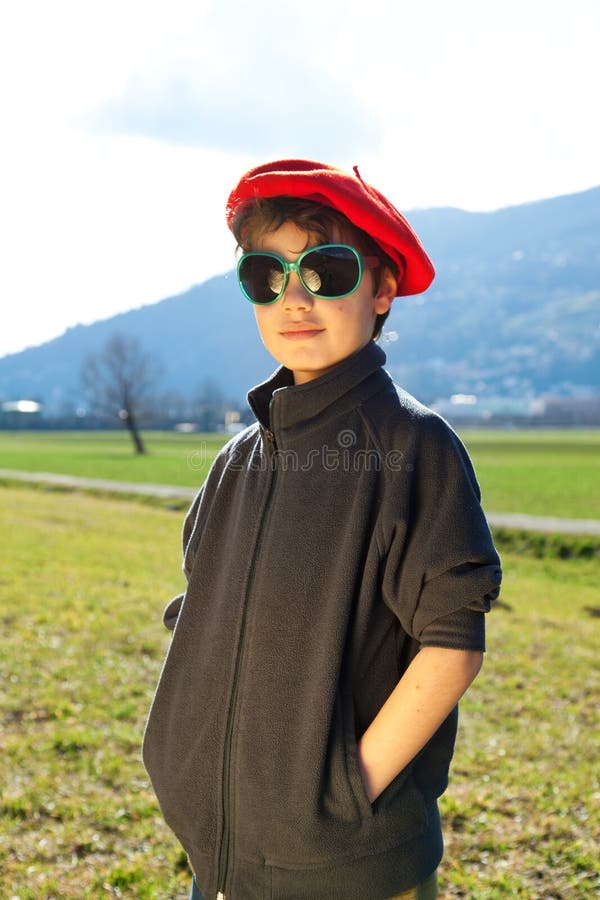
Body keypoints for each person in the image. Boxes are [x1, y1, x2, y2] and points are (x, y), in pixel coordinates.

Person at [143, 159, 502, 900]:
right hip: (221, 857)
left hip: (346, 871)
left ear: (382, 287)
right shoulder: (236, 460)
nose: (294, 297)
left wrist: (338, 799)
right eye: (265, 275)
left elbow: (451, 647)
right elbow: (198, 618)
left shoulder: (413, 446)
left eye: (327, 269)